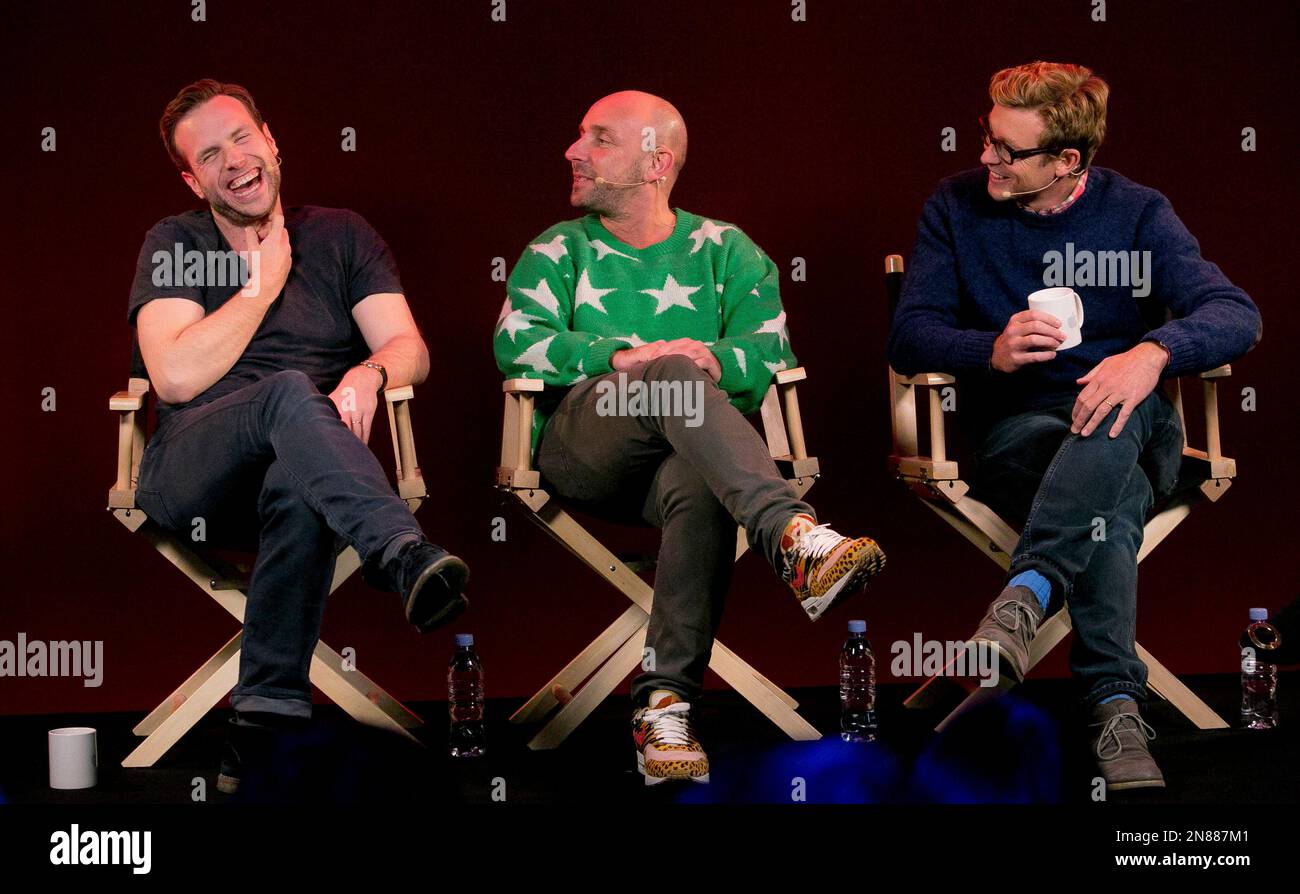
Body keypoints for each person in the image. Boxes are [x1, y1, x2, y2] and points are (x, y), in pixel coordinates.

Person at [494, 90, 886, 785]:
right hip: (585, 452)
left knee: (700, 486)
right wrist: (624, 358)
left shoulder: (728, 251)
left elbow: (768, 353)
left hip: (693, 466)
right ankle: (791, 535)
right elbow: (517, 343)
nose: (573, 151)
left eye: (598, 139)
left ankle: (664, 706)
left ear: (656, 162)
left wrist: (714, 360)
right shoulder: (560, 248)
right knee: (666, 368)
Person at [889, 62, 1261, 790]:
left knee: (1115, 403)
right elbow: (910, 334)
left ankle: (1024, 596)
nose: (985, 158)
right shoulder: (956, 206)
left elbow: (1237, 314)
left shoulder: (1138, 211)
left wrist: (1151, 354)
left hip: (1139, 425)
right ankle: (1115, 706)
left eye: (1008, 150)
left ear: (1068, 160)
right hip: (1023, 439)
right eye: (987, 138)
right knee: (1110, 511)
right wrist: (987, 350)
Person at [128, 79, 470, 794]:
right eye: (210, 155)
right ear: (192, 177)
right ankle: (400, 552)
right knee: (290, 391)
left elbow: (409, 346)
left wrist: (372, 375)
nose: (235, 161)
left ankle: (260, 726)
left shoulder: (342, 234)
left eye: (243, 138)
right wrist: (260, 286)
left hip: (315, 478)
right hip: (195, 472)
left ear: (271, 140)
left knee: (298, 480)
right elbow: (174, 378)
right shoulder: (177, 243)